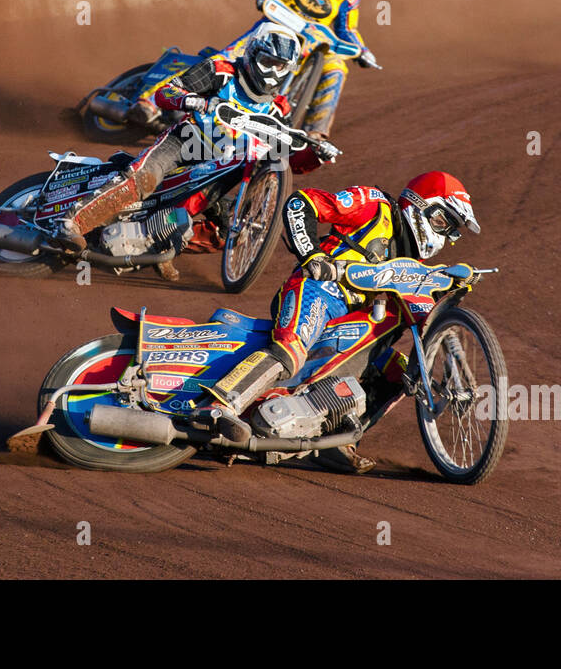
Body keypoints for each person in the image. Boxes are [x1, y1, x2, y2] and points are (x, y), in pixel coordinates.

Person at [198, 171, 480, 471]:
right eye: (443, 221)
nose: (446, 235)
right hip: (316, 291)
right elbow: (300, 203)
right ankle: (219, 405)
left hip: (352, 320)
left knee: (397, 372)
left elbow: (421, 317)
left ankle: (336, 441)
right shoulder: (375, 206)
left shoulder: (413, 265)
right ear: (421, 204)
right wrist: (313, 256)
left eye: (453, 230)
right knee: (290, 352)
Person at [56, 23, 338, 281]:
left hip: (216, 174)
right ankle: (72, 222)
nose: (273, 72)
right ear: (253, 54)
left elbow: (289, 159)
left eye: (281, 67)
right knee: (144, 180)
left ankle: (159, 243)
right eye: (268, 62)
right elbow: (165, 92)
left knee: (231, 232)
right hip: (185, 141)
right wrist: (194, 102)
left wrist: (316, 155)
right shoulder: (222, 71)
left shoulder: (279, 110)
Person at [239, 0, 379, 138]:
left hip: (311, 48)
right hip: (272, 32)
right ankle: (187, 89)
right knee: (229, 59)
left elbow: (347, 30)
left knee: (337, 66)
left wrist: (363, 51)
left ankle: (314, 134)